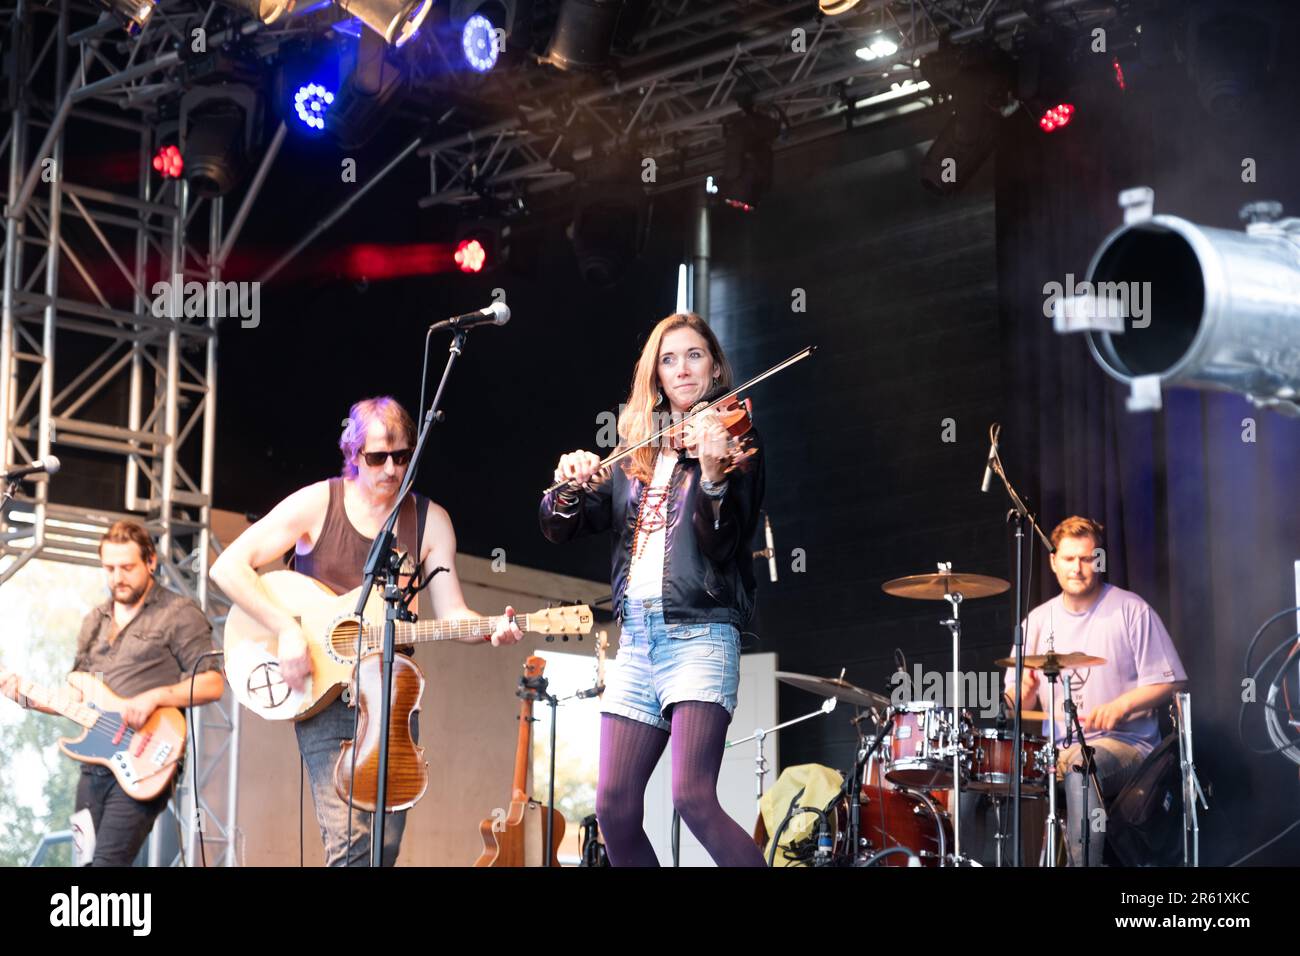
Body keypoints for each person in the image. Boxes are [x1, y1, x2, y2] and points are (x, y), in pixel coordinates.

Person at [211, 396, 522, 866]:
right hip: (325, 692)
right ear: (353, 455)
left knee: (383, 847)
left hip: (393, 696)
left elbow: (452, 611)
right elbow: (228, 567)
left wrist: (489, 628)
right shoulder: (320, 502)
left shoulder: (429, 520)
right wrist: (286, 631)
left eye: (402, 456)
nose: (392, 468)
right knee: (350, 844)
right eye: (377, 457)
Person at [540, 312, 766, 866]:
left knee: (692, 796)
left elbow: (721, 545)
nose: (682, 368)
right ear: (655, 376)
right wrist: (567, 485)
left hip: (700, 633)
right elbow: (558, 526)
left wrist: (713, 480)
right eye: (669, 359)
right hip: (637, 641)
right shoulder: (636, 455)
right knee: (614, 808)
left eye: (694, 355)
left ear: (714, 366)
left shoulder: (736, 440)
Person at [1, 521, 224, 865]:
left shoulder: (178, 613)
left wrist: (156, 697)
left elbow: (212, 683)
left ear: (150, 562)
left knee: (106, 865)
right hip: (94, 766)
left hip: (144, 756)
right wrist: (23, 696)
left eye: (127, 567)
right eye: (109, 568)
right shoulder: (94, 621)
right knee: (85, 867)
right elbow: (75, 699)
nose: (117, 577)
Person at [1004, 515, 1187, 866]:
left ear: (1100, 560)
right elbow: (1014, 705)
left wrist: (1123, 704)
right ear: (1053, 561)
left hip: (1126, 747)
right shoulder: (1036, 622)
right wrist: (1020, 696)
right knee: (975, 773)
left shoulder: (1131, 610)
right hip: (1052, 752)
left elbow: (1173, 680)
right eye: (1069, 559)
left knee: (1080, 763)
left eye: (1087, 558)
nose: (1078, 568)